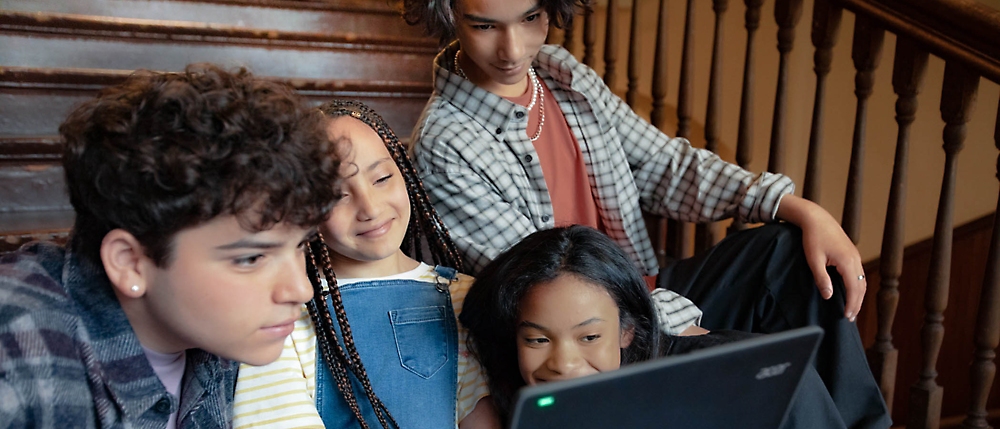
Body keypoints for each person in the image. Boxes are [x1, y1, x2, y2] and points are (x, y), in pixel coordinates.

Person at [402, 0, 880, 421]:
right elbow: (552, 293)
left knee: (787, 250)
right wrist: (680, 324)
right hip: (580, 336)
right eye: (485, 25)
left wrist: (794, 206)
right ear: (448, 13)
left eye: (530, 18)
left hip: (639, 295)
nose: (512, 48)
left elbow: (663, 165)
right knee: (766, 367)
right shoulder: (446, 145)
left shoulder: (561, 77)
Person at [0, 65, 341, 428]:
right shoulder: (18, 350)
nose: (301, 289)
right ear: (130, 262)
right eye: (251, 258)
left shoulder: (214, 334)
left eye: (301, 244)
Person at [460, 225, 891, 428]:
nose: (564, 363)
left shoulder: (702, 380)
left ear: (626, 331)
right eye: (537, 339)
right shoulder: (503, 396)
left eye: (589, 337)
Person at [232, 100, 497, 429]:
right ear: (304, 209)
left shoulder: (464, 296)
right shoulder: (286, 315)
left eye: (382, 177)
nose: (369, 208)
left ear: (405, 173)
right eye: (337, 195)